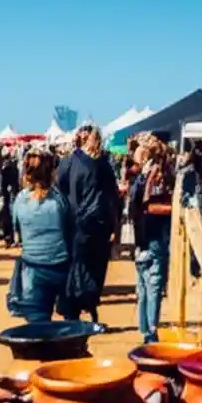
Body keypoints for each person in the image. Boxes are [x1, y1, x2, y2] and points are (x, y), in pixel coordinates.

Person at [56, 126, 119, 322]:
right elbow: (112, 197)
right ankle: (85, 307)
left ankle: (78, 308)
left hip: (83, 224)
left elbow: (60, 191)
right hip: (91, 224)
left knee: (82, 267)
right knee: (90, 268)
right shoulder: (99, 165)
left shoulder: (75, 162)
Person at [8, 151, 73, 322]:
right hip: (61, 267)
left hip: (32, 269)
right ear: (51, 172)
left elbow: (16, 229)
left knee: (38, 329)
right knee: (70, 325)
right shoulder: (59, 199)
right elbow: (69, 228)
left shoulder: (20, 200)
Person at [129, 138, 173, 342]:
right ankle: (151, 333)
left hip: (140, 239)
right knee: (153, 286)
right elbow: (150, 206)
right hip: (154, 237)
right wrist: (174, 209)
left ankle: (145, 329)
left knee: (144, 288)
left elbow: (135, 207)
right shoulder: (156, 177)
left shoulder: (137, 178)